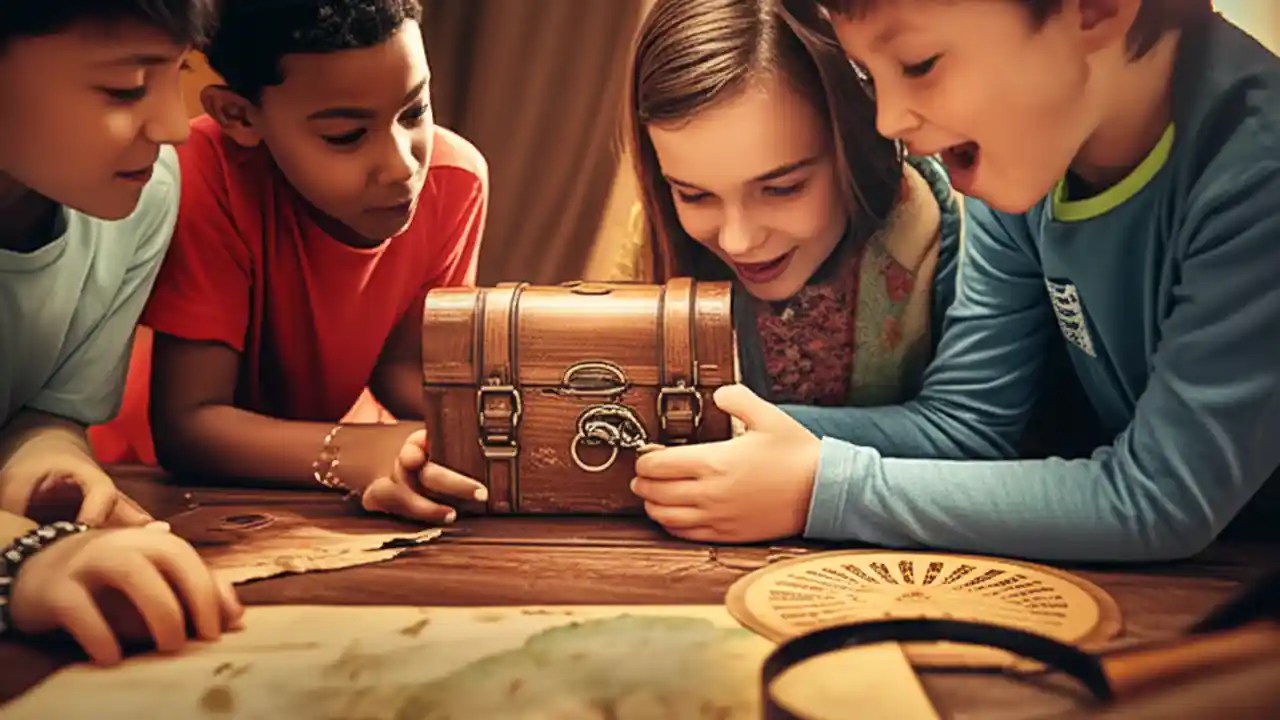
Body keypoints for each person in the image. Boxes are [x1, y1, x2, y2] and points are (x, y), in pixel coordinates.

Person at [632, 0, 1280, 561]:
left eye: (918, 65)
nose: (888, 125)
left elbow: (1161, 500)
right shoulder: (1028, 160)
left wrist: (823, 491)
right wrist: (709, 435)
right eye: (868, 75)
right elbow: (966, 426)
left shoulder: (1256, 172)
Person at [138, 0, 489, 523]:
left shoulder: (455, 181)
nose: (401, 166)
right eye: (345, 136)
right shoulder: (201, 179)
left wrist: (482, 432)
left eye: (414, 112)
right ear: (238, 116)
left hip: (314, 485)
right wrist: (356, 452)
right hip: (152, 495)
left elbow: (403, 368)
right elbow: (188, 427)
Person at [626, 0, 961, 415]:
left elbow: (978, 435)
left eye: (782, 189)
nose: (739, 240)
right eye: (694, 196)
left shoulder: (951, 239)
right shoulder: (649, 244)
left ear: (852, 145)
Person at [0, 0, 212, 528]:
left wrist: (50, 461)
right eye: (127, 86)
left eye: (178, 69)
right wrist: (24, 555)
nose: (174, 127)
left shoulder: (146, 193)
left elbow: (48, 413)